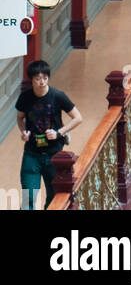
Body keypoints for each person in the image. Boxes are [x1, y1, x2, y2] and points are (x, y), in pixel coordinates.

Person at [16, 60, 83, 210]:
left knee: (54, 196)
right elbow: (20, 117)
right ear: (31, 80)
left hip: (54, 154)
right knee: (29, 197)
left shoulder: (57, 96)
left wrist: (59, 132)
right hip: (32, 154)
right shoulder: (25, 97)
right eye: (38, 79)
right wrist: (23, 132)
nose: (42, 82)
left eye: (45, 78)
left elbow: (78, 117)